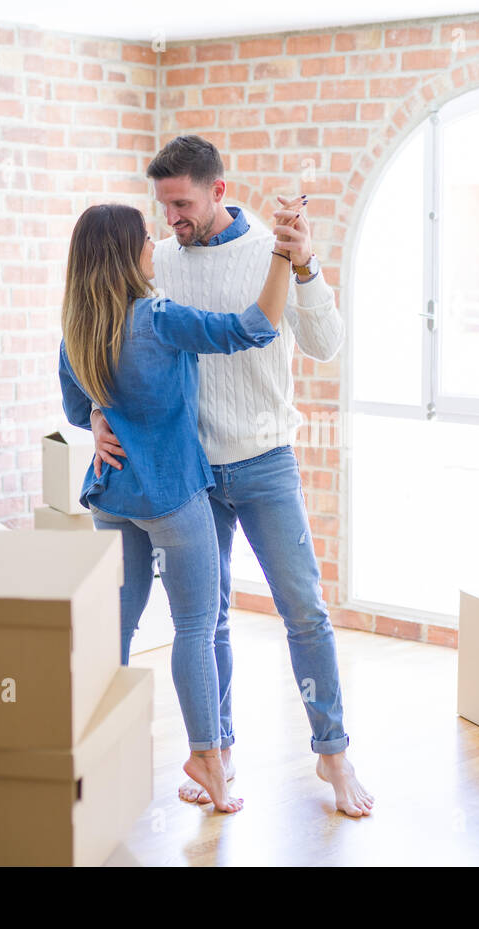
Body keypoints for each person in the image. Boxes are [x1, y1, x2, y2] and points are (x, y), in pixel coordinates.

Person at [88, 135, 374, 817]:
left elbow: (326, 343)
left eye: (182, 204)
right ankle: (219, 752)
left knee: (303, 611)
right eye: (164, 206)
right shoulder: (162, 265)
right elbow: (111, 336)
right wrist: (95, 409)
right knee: (207, 619)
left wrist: (303, 265)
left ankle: (333, 752)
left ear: (219, 191)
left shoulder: (268, 254)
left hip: (266, 460)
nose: (173, 220)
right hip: (193, 474)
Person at [58, 202, 299, 813]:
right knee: (194, 627)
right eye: (144, 237)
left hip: (113, 497)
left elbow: (73, 406)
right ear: (122, 253)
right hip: (172, 494)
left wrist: (95, 415)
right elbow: (254, 327)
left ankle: (90, 751)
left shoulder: (78, 328)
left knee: (115, 626)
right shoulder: (157, 318)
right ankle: (208, 760)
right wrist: (280, 255)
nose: (154, 243)